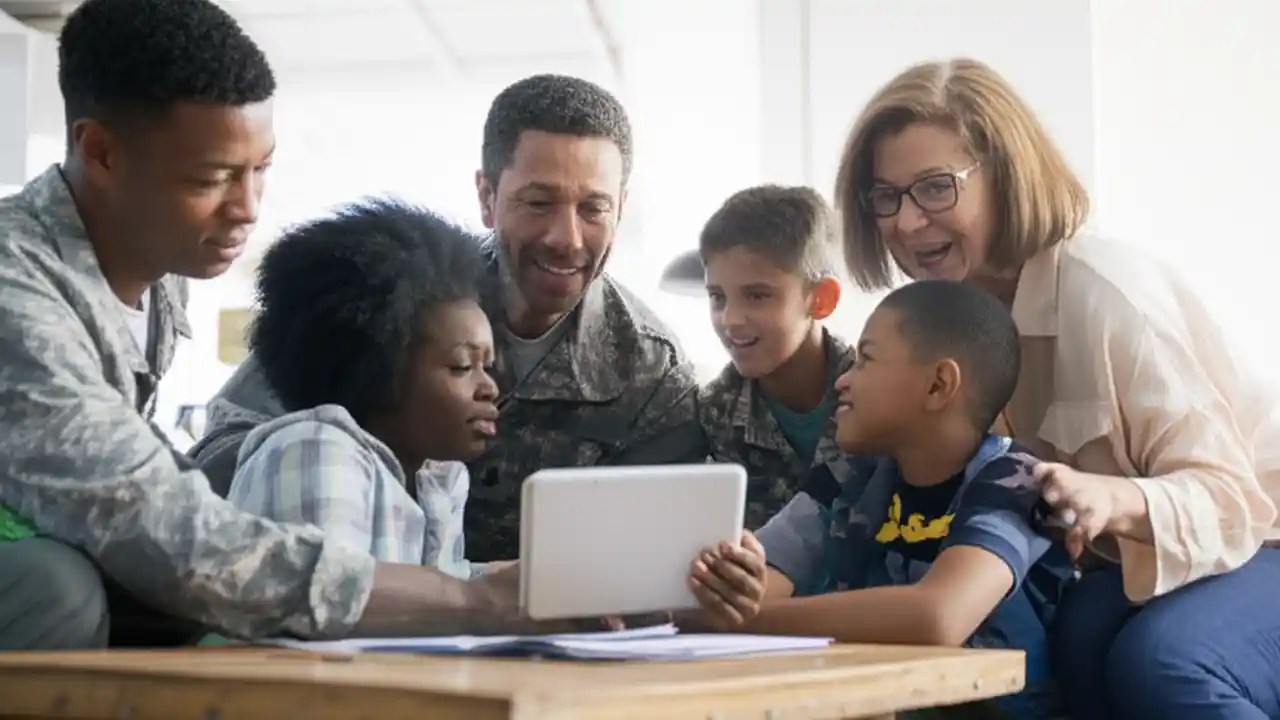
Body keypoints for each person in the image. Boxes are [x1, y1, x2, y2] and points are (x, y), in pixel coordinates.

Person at [0, 0, 588, 651]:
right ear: (101, 151)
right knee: (55, 586)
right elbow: (153, 524)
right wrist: (469, 600)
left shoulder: (157, 271)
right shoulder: (15, 293)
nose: (248, 209)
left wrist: (480, 585)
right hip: (39, 570)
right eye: (212, 177)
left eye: (260, 169)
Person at [835, 57, 1280, 719]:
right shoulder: (942, 326)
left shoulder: (1103, 292)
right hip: (1135, 572)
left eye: (935, 188)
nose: (905, 223)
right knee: (1062, 648)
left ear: (1005, 176)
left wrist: (1114, 498)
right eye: (886, 196)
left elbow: (1232, 499)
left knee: (1164, 662)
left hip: (1260, 540)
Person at [193, 74, 705, 562]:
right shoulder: (392, 298)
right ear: (487, 197)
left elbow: (651, 553)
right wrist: (366, 460)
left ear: (621, 206)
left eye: (594, 208)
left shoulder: (653, 373)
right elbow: (213, 462)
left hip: (540, 630)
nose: (566, 238)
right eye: (539, 202)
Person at [703, 281, 1074, 719]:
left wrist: (749, 620)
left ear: (938, 385)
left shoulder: (1014, 481)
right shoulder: (849, 476)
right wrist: (724, 589)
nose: (842, 380)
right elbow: (755, 586)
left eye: (866, 360)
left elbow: (937, 616)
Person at [227, 199, 498, 580]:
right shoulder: (315, 449)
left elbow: (442, 597)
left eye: (487, 367)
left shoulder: (440, 477)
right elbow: (333, 607)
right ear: (377, 369)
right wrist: (486, 599)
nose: (489, 387)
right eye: (461, 367)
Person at [696, 185, 850, 530]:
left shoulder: (879, 396)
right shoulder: (711, 413)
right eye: (717, 297)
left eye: (757, 296)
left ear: (821, 299)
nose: (731, 319)